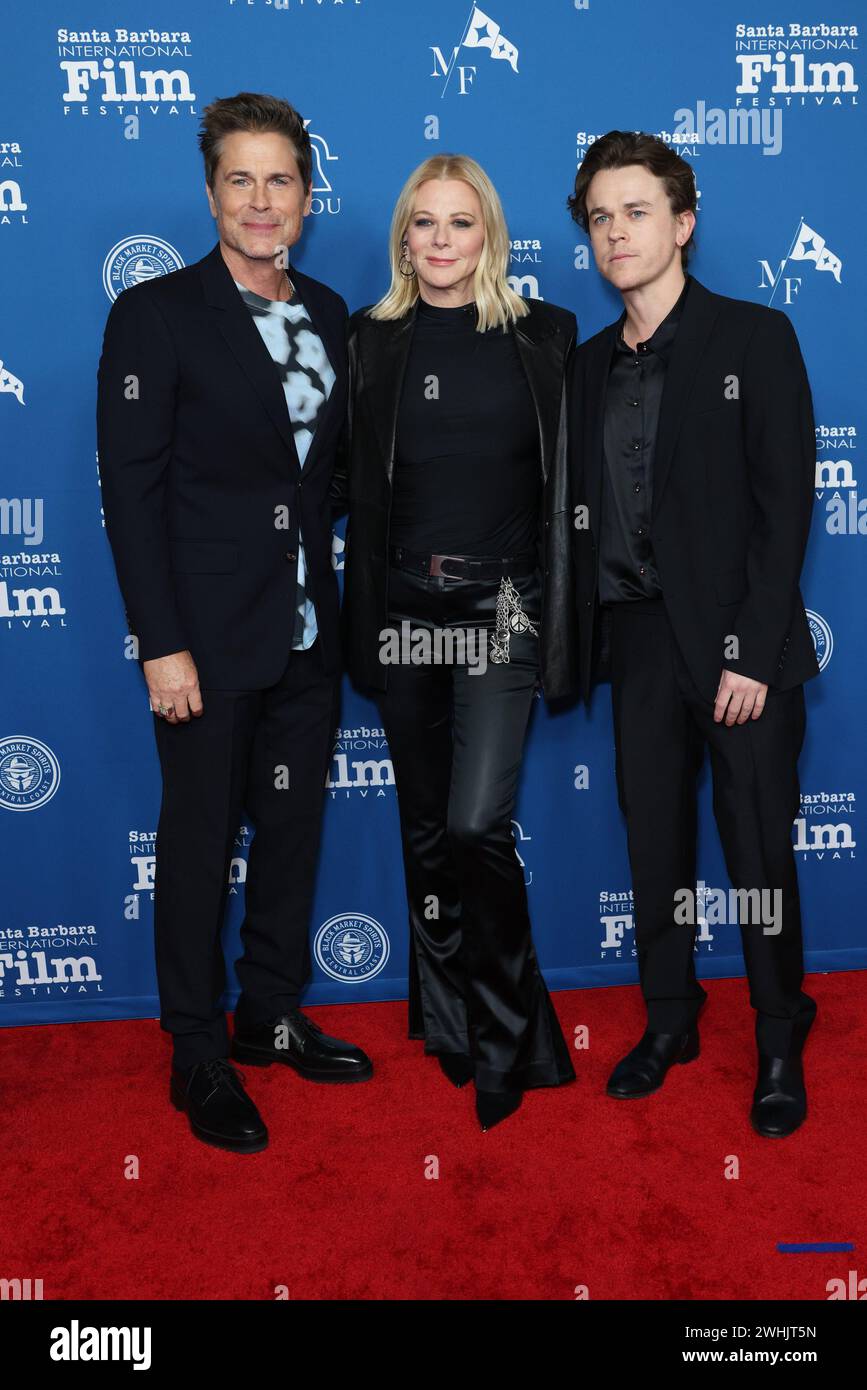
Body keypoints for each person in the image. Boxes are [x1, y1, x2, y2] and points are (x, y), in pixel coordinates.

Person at [97, 92, 371, 1156]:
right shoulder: (156, 315)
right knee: (201, 840)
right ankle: (197, 1048)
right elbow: (133, 488)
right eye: (240, 179)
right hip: (204, 641)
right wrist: (161, 642)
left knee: (293, 828)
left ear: (308, 195)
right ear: (211, 193)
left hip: (307, 629)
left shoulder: (334, 315)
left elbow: (325, 474)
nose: (262, 200)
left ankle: (270, 1010)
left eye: (281, 180)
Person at [567, 130, 819, 1137]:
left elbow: (785, 504)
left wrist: (751, 653)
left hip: (737, 651)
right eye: (599, 216)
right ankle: (669, 1017)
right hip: (634, 645)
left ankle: (776, 1033)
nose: (617, 231)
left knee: (757, 858)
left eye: (636, 211)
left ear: (683, 221)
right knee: (655, 845)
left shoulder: (755, 339)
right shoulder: (584, 366)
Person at [336, 154, 578, 1132]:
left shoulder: (545, 335)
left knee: (479, 825)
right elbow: (343, 482)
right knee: (428, 828)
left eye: (460, 223)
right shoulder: (369, 341)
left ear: (490, 236)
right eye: (424, 224)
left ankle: (510, 1035)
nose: (441, 240)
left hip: (502, 614)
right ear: (404, 237)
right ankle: (446, 1020)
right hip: (402, 612)